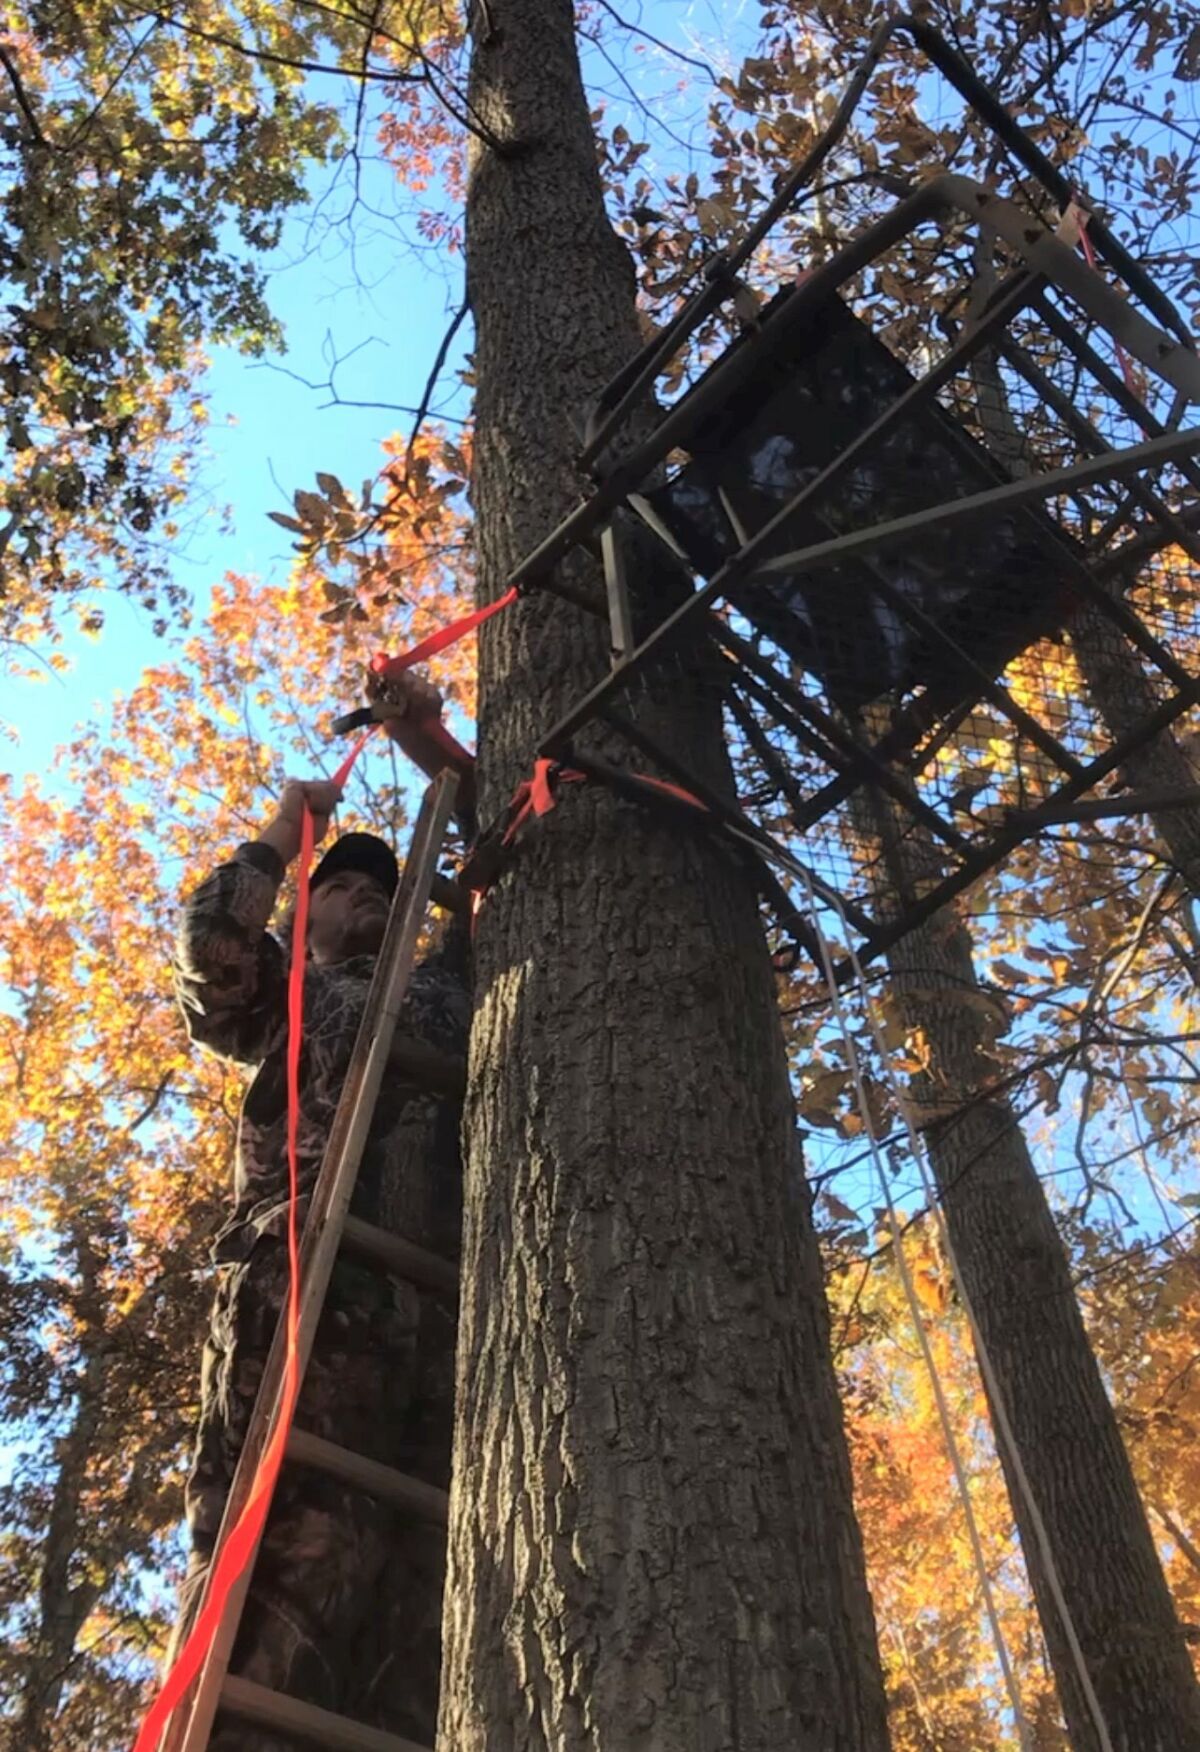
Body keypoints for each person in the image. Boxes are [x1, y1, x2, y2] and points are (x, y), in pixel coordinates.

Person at [169, 673, 472, 1748]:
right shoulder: (291, 984)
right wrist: (283, 840)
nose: (370, 897)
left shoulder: (446, 993)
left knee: (407, 1624)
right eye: (345, 885)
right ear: (308, 911)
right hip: (308, 1285)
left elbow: (515, 851)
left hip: (441, 1331)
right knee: (277, 1572)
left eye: (386, 889)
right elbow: (214, 950)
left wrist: (430, 741)